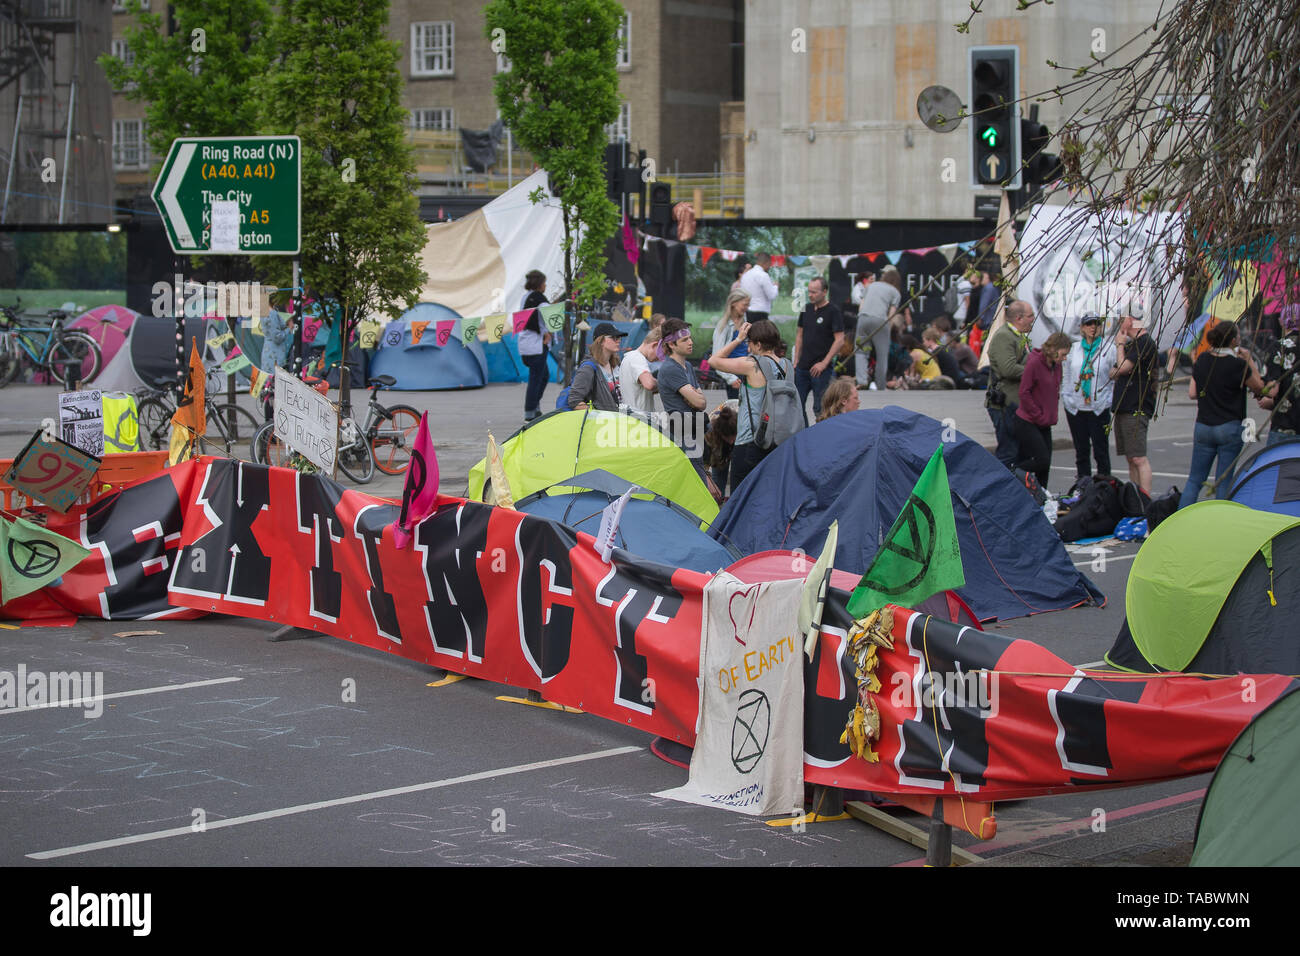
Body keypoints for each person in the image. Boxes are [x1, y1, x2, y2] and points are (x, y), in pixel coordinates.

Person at [1179, 322, 1265, 508]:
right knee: (1223, 481)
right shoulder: (1238, 365)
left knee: (1195, 480)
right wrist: (1249, 360)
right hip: (1229, 425)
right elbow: (1259, 387)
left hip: (1203, 425)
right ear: (1234, 340)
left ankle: (1179, 520)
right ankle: (1219, 524)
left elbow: (1193, 393)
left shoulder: (1202, 360)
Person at [710, 319, 787, 490]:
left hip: (750, 441)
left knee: (741, 498)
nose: (747, 347)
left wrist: (737, 339)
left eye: (749, 343)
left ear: (758, 345)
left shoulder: (752, 365)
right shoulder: (786, 366)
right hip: (778, 440)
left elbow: (714, 361)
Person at [1108, 309, 1161, 494]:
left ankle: (1145, 498)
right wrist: (1122, 366)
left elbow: (1122, 368)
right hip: (1123, 406)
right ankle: (1136, 496)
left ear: (1130, 321)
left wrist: (1119, 346)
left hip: (1136, 407)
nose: (1118, 324)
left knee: (1138, 457)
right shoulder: (1133, 345)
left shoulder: (1144, 343)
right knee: (1131, 457)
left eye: (1121, 320)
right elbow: (1113, 372)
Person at [1014, 332, 1073, 491]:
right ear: (1053, 349)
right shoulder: (1034, 363)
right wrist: (1038, 414)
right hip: (1028, 420)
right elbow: (1024, 392)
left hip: (1045, 422)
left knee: (1045, 466)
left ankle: (1042, 495)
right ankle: (1013, 471)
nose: (1064, 358)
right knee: (1042, 459)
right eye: (1063, 354)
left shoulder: (1057, 366)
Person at [1061, 314, 1116, 480]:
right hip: (1077, 408)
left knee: (1101, 451)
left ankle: (1104, 485)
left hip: (1099, 407)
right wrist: (1068, 399)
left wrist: (1108, 400)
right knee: (1081, 451)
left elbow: (1114, 376)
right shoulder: (1074, 349)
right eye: (1089, 324)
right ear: (1082, 328)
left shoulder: (1109, 348)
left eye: (1096, 324)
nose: (1093, 327)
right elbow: (1067, 377)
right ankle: (1083, 486)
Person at [985, 299, 1036, 467]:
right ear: (1018, 318)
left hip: (1014, 404)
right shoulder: (1004, 336)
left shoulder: (1018, 336)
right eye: (1030, 316)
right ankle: (999, 490)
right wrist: (1034, 369)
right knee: (1008, 452)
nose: (1033, 319)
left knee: (1019, 452)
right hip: (1004, 405)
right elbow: (1008, 369)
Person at [793, 276, 845, 420]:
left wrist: (824, 362)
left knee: (820, 407)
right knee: (796, 405)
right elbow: (799, 335)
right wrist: (796, 360)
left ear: (824, 292)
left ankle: (821, 436)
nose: (810, 295)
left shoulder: (833, 311)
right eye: (809, 291)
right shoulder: (806, 308)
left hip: (821, 369)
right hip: (802, 367)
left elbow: (840, 340)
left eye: (814, 292)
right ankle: (802, 434)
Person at [655, 317, 707, 460]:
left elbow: (702, 404)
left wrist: (693, 396)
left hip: (693, 430)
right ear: (671, 344)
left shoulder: (688, 366)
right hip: (682, 434)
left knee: (700, 475)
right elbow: (699, 402)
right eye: (685, 340)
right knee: (696, 477)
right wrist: (694, 397)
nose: (690, 343)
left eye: (690, 338)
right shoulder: (670, 368)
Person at [1258, 303, 1300, 445]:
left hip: (1285, 425)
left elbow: (1272, 390)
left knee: (1278, 466)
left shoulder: (1279, 347)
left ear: (1282, 321)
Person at [856, 267, 903, 390]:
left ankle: (861, 380)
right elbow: (891, 315)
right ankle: (880, 384)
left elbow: (861, 305)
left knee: (861, 351)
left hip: (863, 318)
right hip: (880, 321)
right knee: (882, 355)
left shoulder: (872, 285)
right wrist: (888, 329)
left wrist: (862, 319)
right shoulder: (895, 292)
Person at [565, 322, 626, 411]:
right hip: (604, 423)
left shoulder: (617, 364)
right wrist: (598, 415)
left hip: (621, 420)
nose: (619, 340)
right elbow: (574, 401)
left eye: (619, 337)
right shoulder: (588, 368)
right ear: (600, 341)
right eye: (614, 337)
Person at [519, 270, 553, 421]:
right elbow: (548, 318)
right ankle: (529, 412)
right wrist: (547, 332)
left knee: (543, 375)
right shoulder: (542, 300)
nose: (546, 285)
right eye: (544, 282)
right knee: (536, 378)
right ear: (540, 284)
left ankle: (535, 406)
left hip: (524, 344)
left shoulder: (525, 297)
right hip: (537, 345)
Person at [710, 291, 751, 394]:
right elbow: (716, 357)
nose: (747, 307)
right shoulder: (724, 326)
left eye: (748, 304)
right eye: (744, 304)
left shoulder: (745, 321)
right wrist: (730, 378)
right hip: (732, 374)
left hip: (746, 372)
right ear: (733, 303)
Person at [618, 327, 660, 419]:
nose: (661, 358)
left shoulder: (630, 357)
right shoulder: (637, 358)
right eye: (662, 352)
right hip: (639, 421)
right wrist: (663, 383)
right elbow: (649, 384)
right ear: (654, 345)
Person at [739, 252, 779, 321]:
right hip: (761, 312)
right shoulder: (763, 275)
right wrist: (775, 287)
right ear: (767, 262)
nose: (769, 267)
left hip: (747, 312)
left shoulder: (745, 275)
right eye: (770, 264)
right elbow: (772, 295)